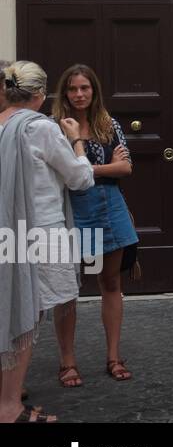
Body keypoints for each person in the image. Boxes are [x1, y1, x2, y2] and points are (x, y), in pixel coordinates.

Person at [0, 61, 94, 423]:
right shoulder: (41, 128)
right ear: (40, 95)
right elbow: (79, 179)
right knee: (29, 313)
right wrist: (77, 142)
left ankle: (9, 392)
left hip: (8, 229)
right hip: (42, 230)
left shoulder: (3, 123)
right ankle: (9, 407)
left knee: (12, 307)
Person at [51, 64, 139, 386]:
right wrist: (106, 166)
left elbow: (126, 168)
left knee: (111, 283)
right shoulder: (54, 128)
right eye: (73, 89)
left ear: (94, 90)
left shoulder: (108, 123)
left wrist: (90, 169)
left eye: (84, 88)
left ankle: (114, 357)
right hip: (72, 211)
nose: (79, 94)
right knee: (66, 290)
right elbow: (61, 175)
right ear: (65, 92)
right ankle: (67, 362)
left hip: (110, 207)